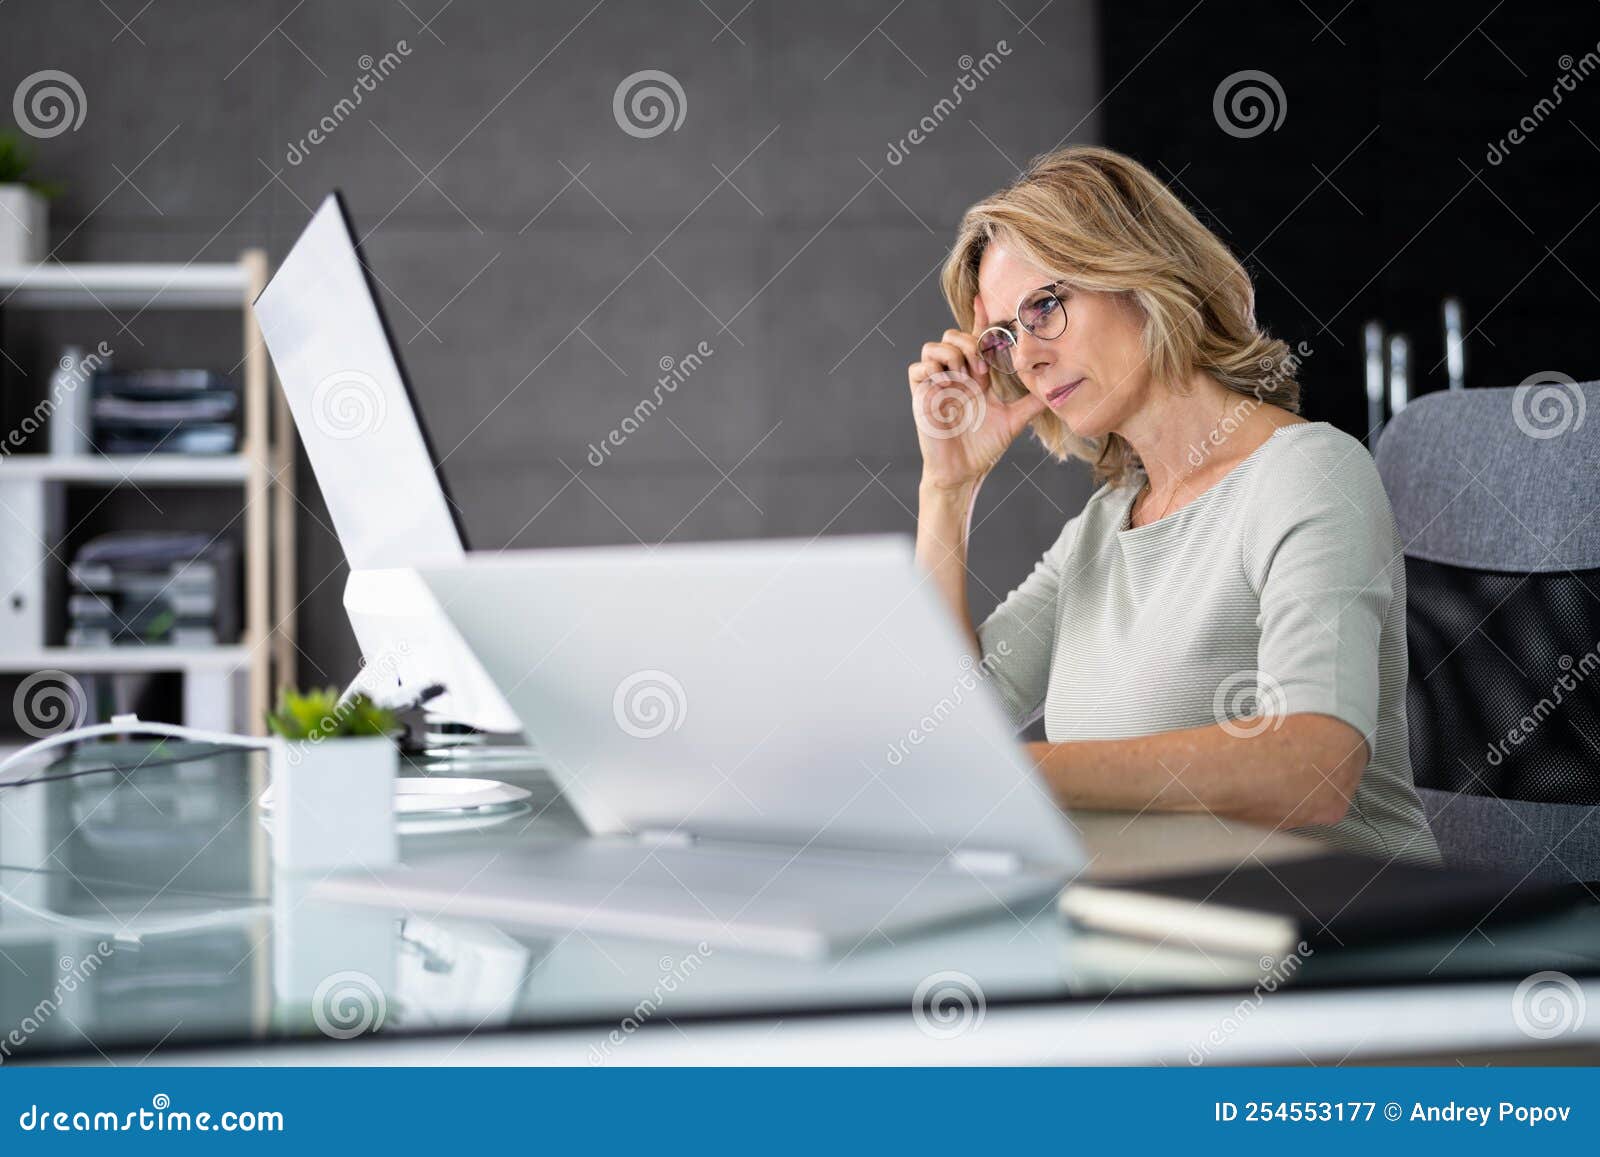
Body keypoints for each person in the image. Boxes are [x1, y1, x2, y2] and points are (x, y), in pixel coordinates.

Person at [908, 145, 1438, 864]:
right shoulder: (1103, 526)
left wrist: (1014, 774)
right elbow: (954, 722)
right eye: (1004, 336)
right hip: (1165, 931)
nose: (1025, 357)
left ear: (1139, 276)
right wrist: (948, 488)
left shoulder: (1309, 472)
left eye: (1045, 307)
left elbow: (1313, 763)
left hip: (1341, 937)